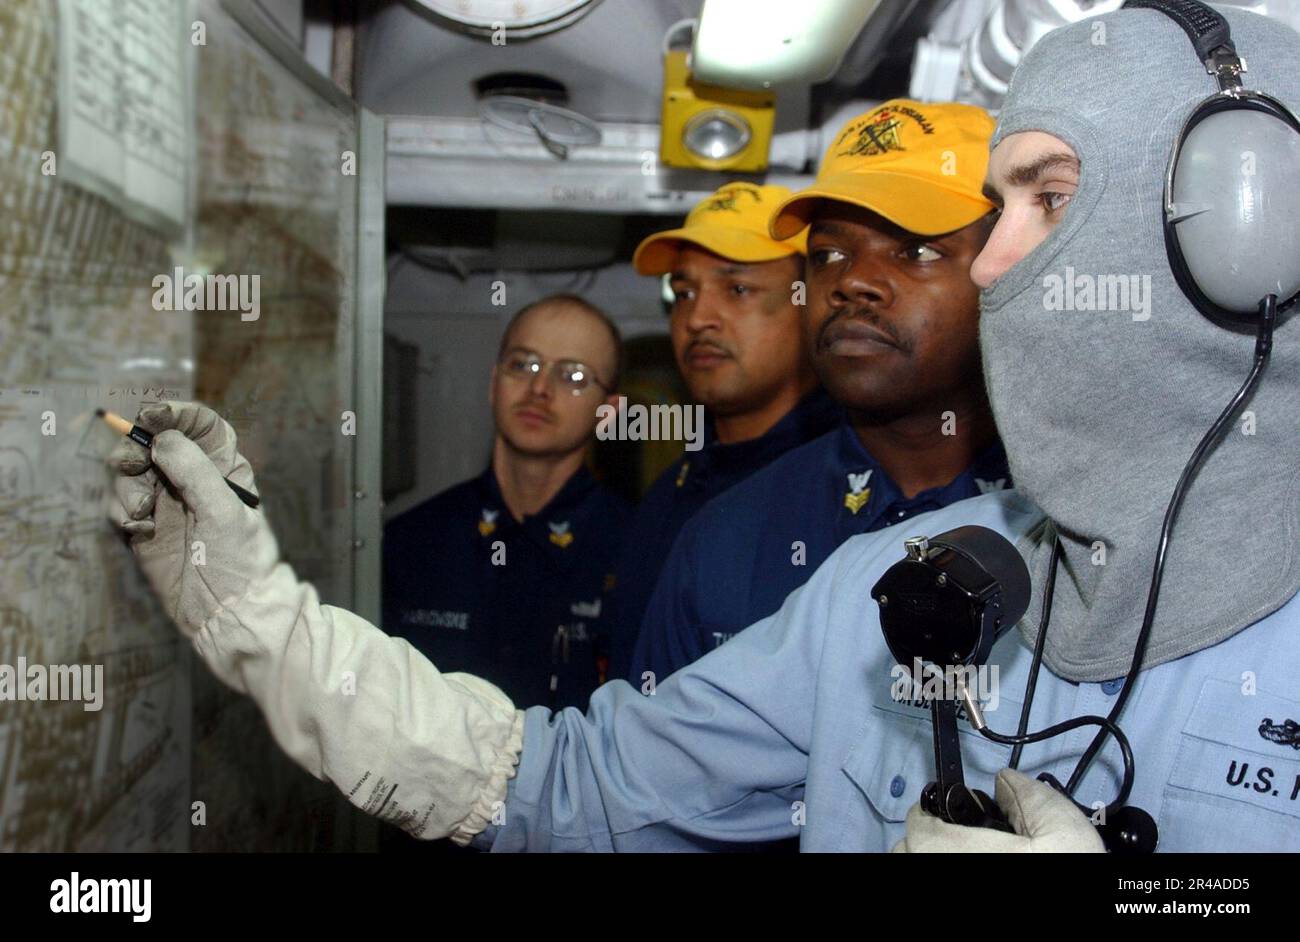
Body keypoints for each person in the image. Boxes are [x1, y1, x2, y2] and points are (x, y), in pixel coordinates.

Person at [106, 6, 1300, 852]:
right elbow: (563, 783)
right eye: (992, 213)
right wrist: (253, 611)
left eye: (1048, 199)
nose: (994, 263)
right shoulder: (875, 593)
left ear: (1247, 236)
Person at [629, 100, 1010, 687]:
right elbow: (646, 770)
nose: (852, 280)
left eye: (918, 250)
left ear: (1008, 269)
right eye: (830, 255)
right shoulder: (722, 538)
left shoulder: (1075, 528)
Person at [607, 183, 840, 681]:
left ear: (812, 303)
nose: (697, 318)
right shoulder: (670, 494)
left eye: (737, 289)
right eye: (683, 292)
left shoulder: (855, 486)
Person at [382, 294, 629, 711]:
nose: (539, 389)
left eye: (572, 375)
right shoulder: (411, 542)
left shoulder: (634, 551)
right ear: (494, 384)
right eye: (523, 364)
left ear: (607, 413)